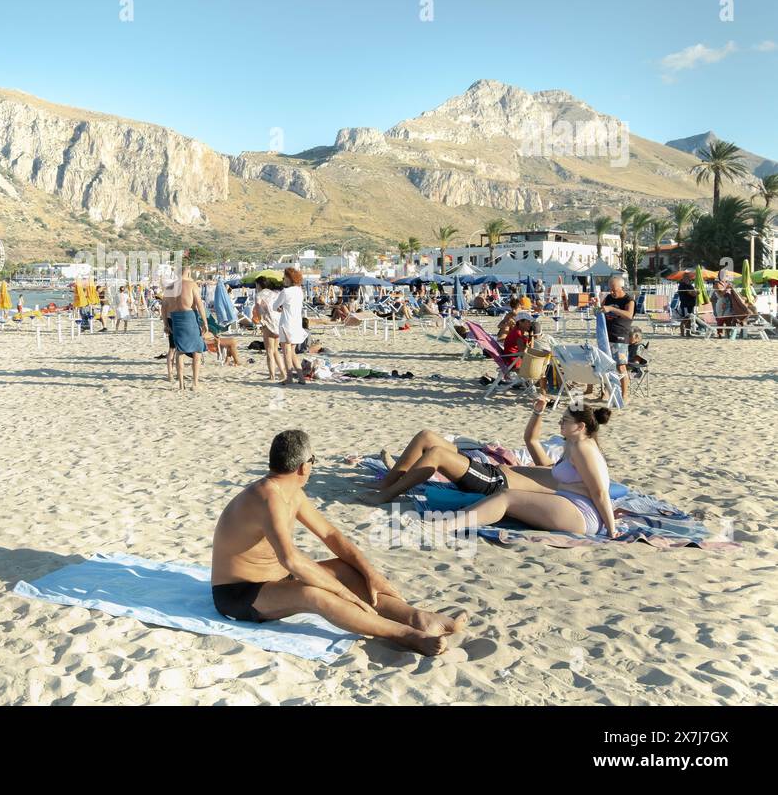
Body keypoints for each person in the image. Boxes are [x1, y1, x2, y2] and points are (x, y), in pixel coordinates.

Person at [211, 430, 465, 656]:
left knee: (345, 570)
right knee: (313, 594)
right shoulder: (268, 498)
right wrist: (341, 593)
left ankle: (417, 617)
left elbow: (330, 535)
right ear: (303, 467)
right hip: (239, 594)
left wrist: (371, 574)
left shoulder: (290, 492)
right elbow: (290, 559)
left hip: (276, 580)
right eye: (313, 460)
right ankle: (407, 635)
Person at [367, 398, 620, 538]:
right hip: (491, 470)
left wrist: (611, 527)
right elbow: (531, 440)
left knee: (436, 454)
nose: (560, 424)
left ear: (581, 426)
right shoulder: (564, 462)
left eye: (565, 421)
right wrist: (537, 412)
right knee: (427, 436)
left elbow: (600, 491)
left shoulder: (583, 453)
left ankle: (387, 496)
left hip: (495, 481)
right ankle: (386, 484)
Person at [164, 265, 208, 391]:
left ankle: (181, 384)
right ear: (188, 272)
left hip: (175, 319)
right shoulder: (191, 284)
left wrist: (166, 324)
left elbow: (164, 307)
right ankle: (194, 383)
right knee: (197, 351)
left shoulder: (170, 287)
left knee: (180, 351)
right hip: (189, 317)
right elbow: (199, 304)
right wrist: (205, 322)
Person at [270, 267, 309, 385]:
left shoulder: (285, 292)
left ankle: (289, 377)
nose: (283, 280)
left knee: (286, 351)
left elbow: (274, 306)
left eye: (284, 277)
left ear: (289, 278)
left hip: (286, 323)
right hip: (297, 323)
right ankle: (301, 378)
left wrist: (280, 308)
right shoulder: (299, 291)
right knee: (292, 352)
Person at [600, 275, 635, 398]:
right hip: (606, 335)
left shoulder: (628, 300)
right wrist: (597, 306)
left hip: (620, 336)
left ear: (621, 287)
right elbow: (600, 311)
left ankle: (624, 395)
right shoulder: (608, 297)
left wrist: (611, 309)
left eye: (614, 289)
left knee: (621, 366)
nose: (611, 292)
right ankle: (606, 392)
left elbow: (629, 315)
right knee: (605, 365)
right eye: (610, 289)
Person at [253, 276, 288, 382]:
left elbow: (258, 307)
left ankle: (272, 375)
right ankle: (283, 373)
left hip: (268, 322)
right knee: (276, 351)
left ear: (259, 285)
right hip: (278, 322)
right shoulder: (275, 293)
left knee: (269, 351)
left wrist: (260, 319)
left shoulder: (259, 295)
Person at [676, 271, 698, 337]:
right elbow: (691, 293)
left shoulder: (689, 284)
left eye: (689, 277)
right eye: (687, 277)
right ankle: (682, 333)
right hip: (685, 304)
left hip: (690, 304)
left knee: (689, 319)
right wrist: (697, 292)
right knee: (685, 319)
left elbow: (693, 293)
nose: (689, 278)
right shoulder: (683, 285)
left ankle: (688, 333)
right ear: (684, 278)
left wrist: (696, 292)